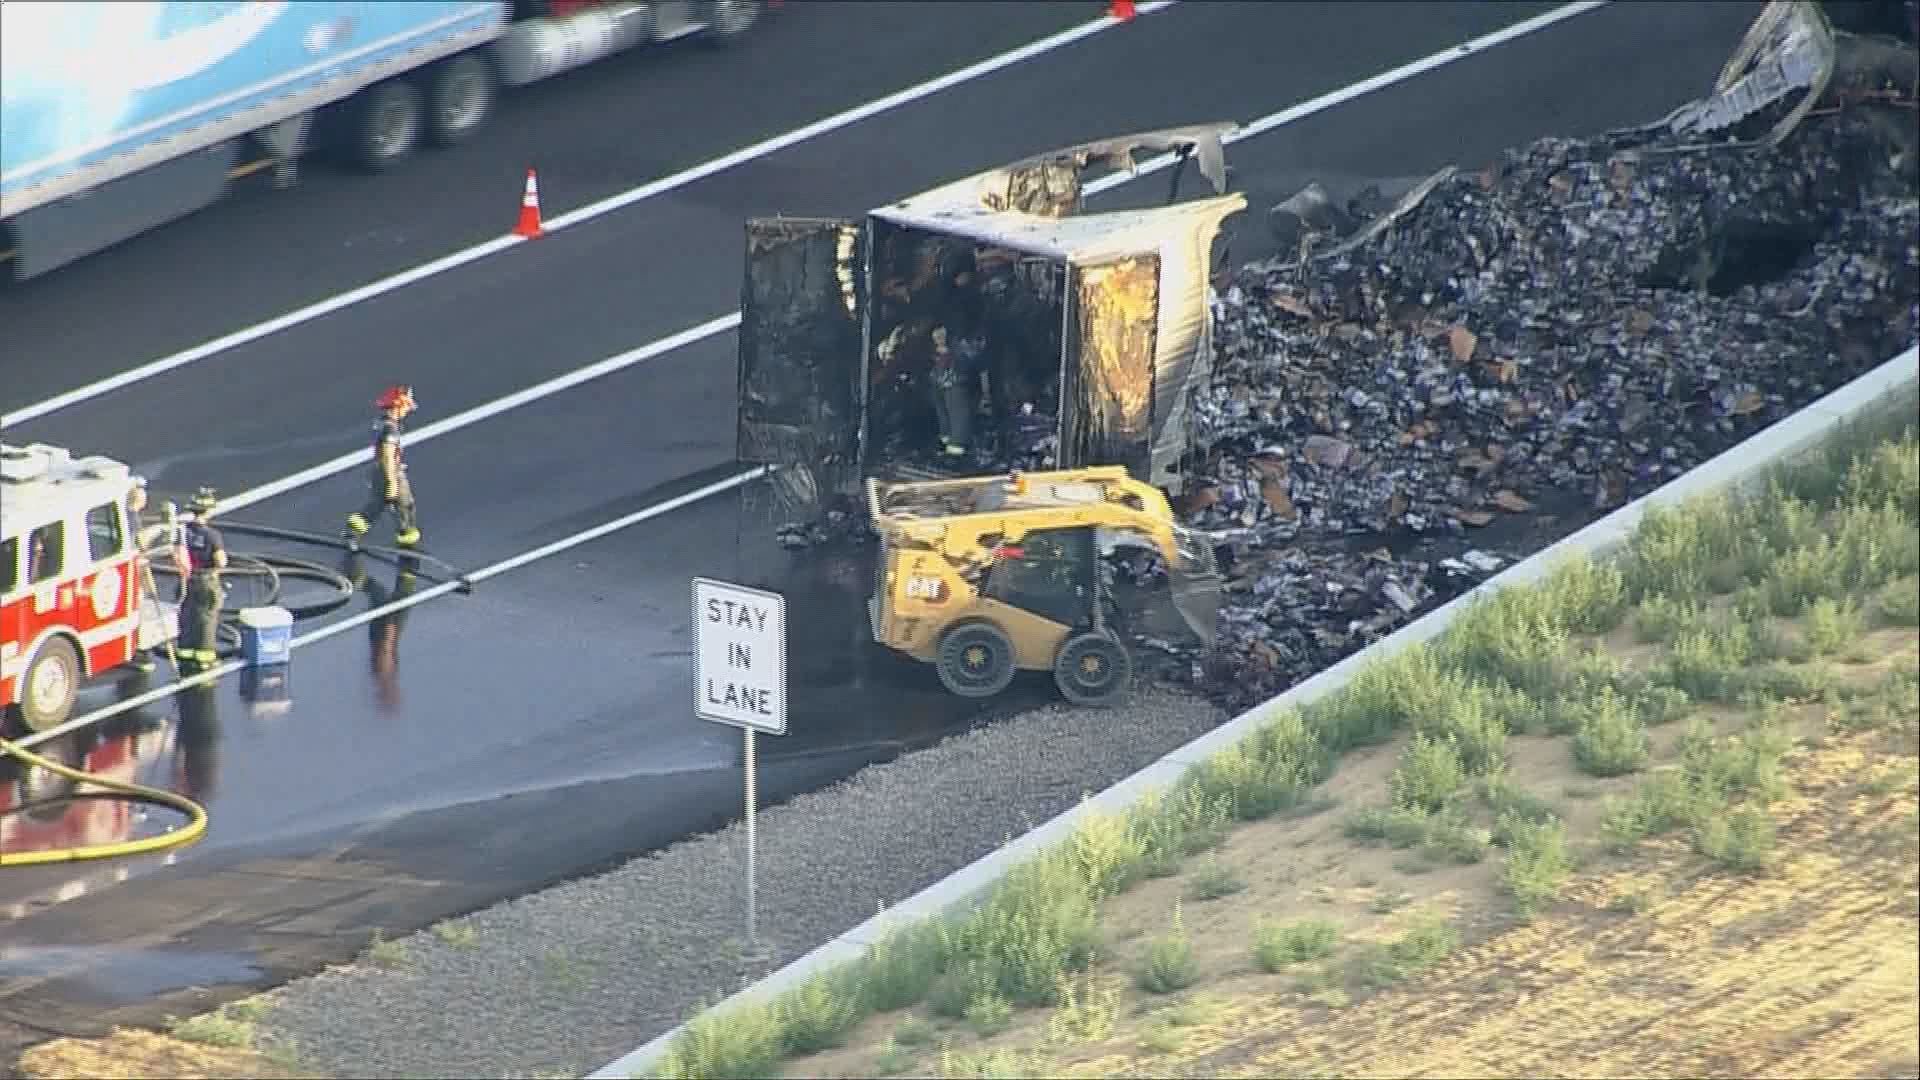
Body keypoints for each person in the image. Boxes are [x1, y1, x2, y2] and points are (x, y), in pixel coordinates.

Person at [344, 385, 421, 552]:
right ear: (398, 405)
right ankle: (408, 542)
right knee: (405, 505)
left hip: (378, 471)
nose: (407, 411)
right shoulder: (390, 428)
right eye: (406, 407)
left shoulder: (380, 423)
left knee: (377, 505)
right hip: (390, 471)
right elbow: (387, 454)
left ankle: (352, 532)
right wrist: (392, 480)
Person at [175, 489, 228, 673]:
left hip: (187, 578)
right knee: (206, 618)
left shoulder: (183, 532)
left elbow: (177, 554)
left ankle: (185, 653)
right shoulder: (212, 535)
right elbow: (221, 561)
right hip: (206, 580)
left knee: (187, 615)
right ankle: (205, 658)